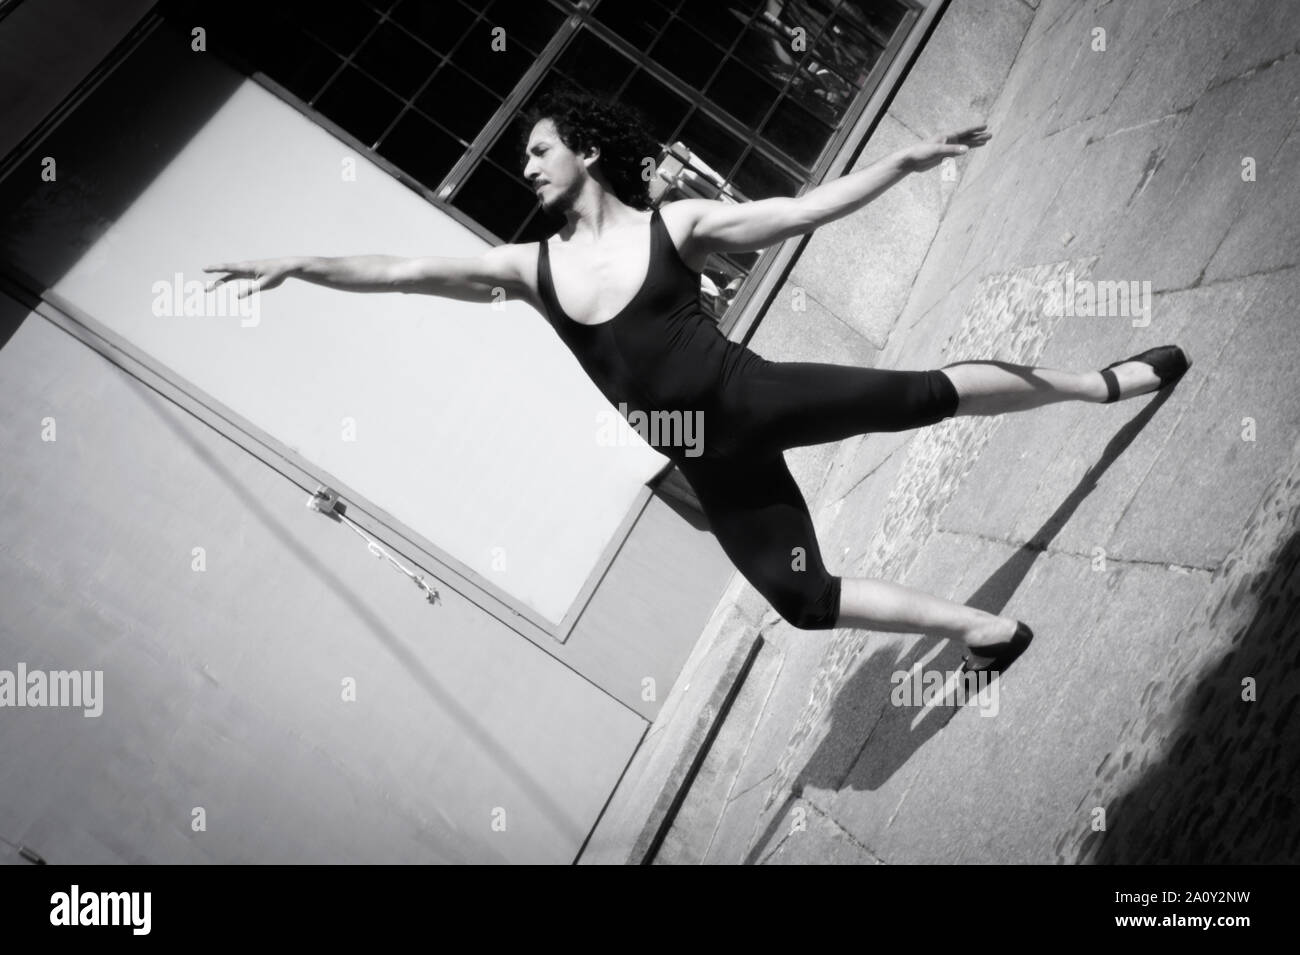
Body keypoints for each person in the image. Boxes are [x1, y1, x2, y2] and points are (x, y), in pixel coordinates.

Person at [205, 90, 1189, 676]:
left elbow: (800, 210)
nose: (526, 165)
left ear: (587, 151)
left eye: (538, 147)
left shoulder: (674, 227)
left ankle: (1100, 382)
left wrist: (897, 161)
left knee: (929, 394)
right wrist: (299, 265)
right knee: (804, 601)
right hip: (704, 459)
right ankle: (983, 628)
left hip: (759, 398)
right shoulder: (526, 270)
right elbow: (401, 271)